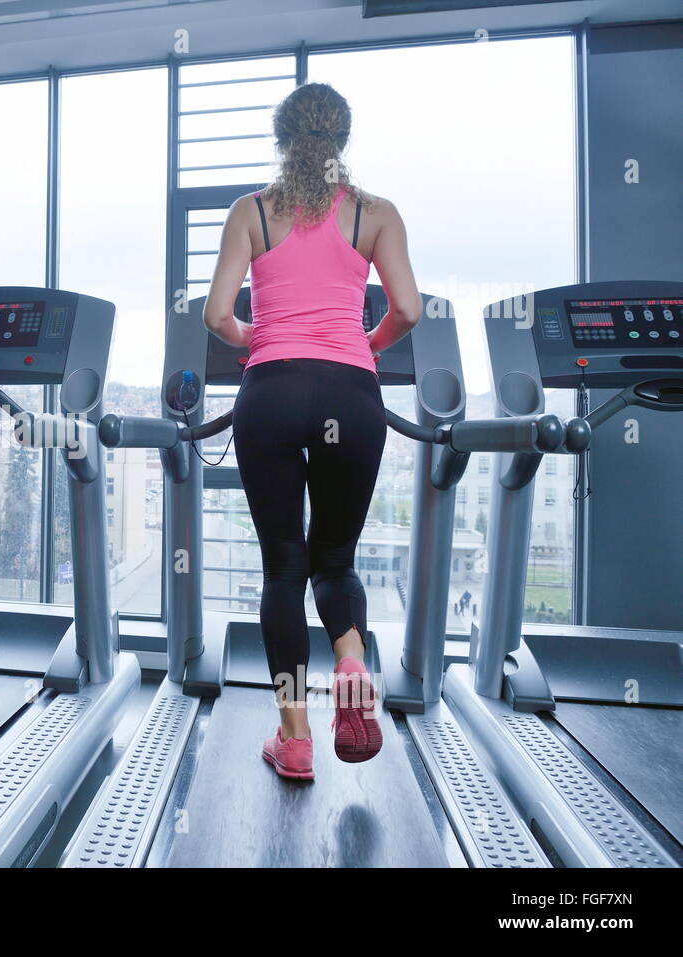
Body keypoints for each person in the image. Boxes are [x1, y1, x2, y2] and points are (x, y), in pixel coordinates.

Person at [203, 83, 422, 781]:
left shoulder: (252, 212)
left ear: (282, 138)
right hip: (350, 397)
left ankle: (294, 735)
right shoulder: (375, 213)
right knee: (335, 560)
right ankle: (351, 656)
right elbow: (408, 309)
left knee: (283, 568)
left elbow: (215, 315)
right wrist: (369, 342)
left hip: (270, 394)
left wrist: (253, 335)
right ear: (343, 141)